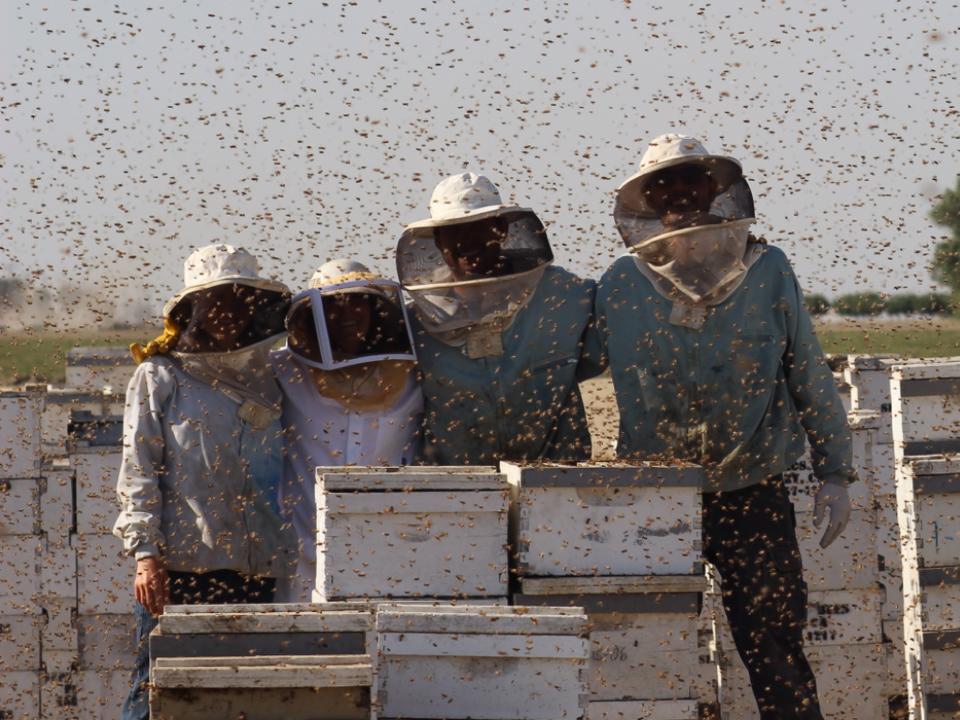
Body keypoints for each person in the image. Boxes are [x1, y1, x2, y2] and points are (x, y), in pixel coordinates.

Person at [592, 134, 855, 719]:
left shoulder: (769, 270)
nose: (680, 196)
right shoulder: (619, 285)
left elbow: (807, 370)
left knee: (774, 646)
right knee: (646, 654)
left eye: (692, 182)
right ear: (648, 203)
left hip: (752, 487)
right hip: (654, 494)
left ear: (716, 191)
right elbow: (556, 367)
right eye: (666, 187)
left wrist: (836, 471)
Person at [114, 243, 297, 720]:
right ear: (191, 307)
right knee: (155, 691)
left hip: (257, 565)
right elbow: (139, 469)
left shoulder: (271, 374)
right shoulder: (160, 375)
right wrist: (146, 556)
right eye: (216, 299)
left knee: (244, 696)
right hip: (180, 567)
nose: (228, 311)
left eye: (239, 298)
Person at [395, 172, 604, 465]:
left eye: (478, 228)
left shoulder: (565, 295)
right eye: (454, 231)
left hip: (556, 477)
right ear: (439, 241)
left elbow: (602, 355)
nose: (468, 242)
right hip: (458, 484)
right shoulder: (416, 322)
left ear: (501, 229)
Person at [271, 259, 423, 602]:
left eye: (357, 302)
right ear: (311, 314)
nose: (346, 313)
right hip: (304, 545)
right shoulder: (283, 369)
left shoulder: (413, 372)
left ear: (375, 310)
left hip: (391, 544)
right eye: (332, 305)